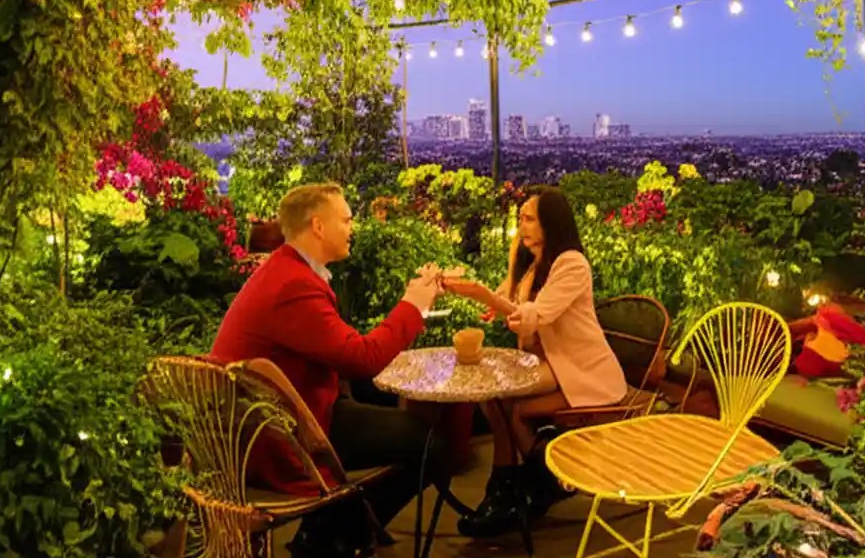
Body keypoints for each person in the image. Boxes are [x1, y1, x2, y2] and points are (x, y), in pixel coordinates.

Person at [210, 183, 445, 558]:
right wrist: (413, 305)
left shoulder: (286, 270)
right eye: (347, 219)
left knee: (383, 406)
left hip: (269, 417)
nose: (353, 227)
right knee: (432, 443)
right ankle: (332, 535)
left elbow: (341, 351)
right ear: (318, 226)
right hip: (282, 436)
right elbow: (362, 358)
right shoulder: (293, 286)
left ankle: (337, 526)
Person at [442, 186, 628, 537]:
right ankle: (522, 484)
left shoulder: (572, 263)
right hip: (549, 366)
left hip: (579, 369)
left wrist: (485, 296)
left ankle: (524, 485)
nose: (521, 226)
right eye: (521, 219)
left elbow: (533, 316)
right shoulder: (536, 266)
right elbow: (506, 302)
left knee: (503, 401)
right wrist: (510, 265)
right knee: (494, 399)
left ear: (550, 223)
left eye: (529, 219)